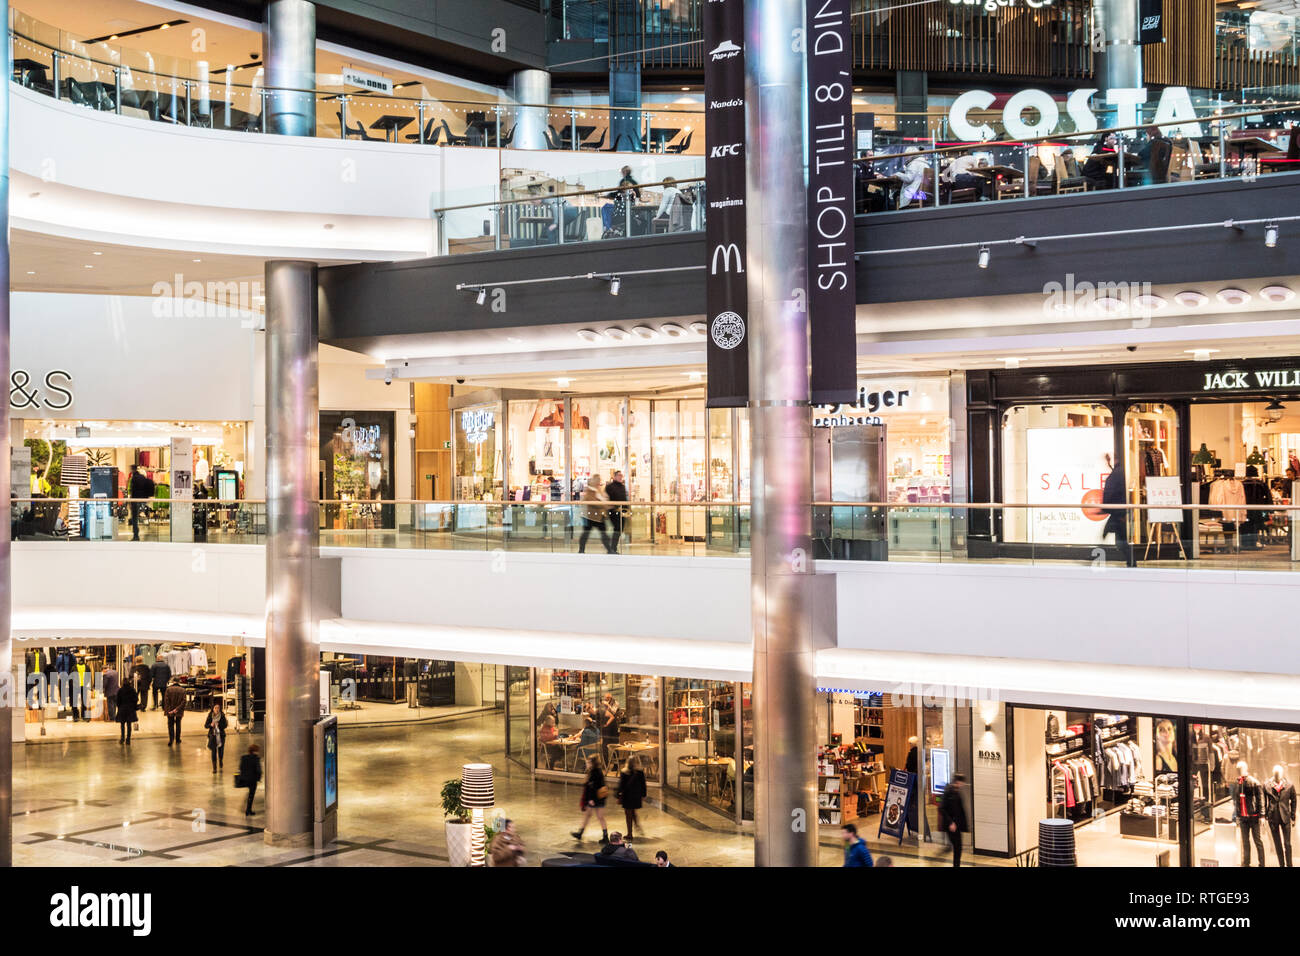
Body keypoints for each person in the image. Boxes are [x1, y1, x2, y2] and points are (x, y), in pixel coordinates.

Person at [1101, 455, 1134, 567]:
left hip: (1118, 511)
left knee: (1121, 540)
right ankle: (1131, 561)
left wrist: (1105, 507)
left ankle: (1132, 561)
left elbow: (1113, 490)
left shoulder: (1118, 473)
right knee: (1118, 538)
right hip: (1117, 511)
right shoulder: (1119, 472)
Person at [1231, 762, 1266, 866]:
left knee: (1257, 841)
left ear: (1246, 769)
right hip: (1243, 818)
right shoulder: (1237, 783)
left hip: (1254, 817)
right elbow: (1237, 801)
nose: (1238, 770)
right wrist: (1237, 815)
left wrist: (1262, 815)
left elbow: (1261, 799)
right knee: (1245, 842)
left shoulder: (1255, 782)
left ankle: (1262, 863)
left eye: (1240, 768)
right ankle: (1246, 863)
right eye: (1237, 769)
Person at [571, 754, 610, 844]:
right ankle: (604, 836)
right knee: (595, 816)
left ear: (592, 763)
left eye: (588, 762)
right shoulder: (597, 771)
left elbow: (593, 787)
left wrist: (591, 799)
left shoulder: (593, 773)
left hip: (595, 799)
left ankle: (581, 833)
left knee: (593, 816)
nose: (587, 763)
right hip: (600, 798)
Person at [1264, 764, 1295, 867]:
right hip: (1273, 817)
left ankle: (1289, 864)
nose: (1277, 776)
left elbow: (1294, 800)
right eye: (1275, 774)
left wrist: (1293, 816)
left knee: (1287, 844)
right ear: (1273, 774)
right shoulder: (1267, 785)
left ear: (1282, 774)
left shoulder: (1289, 785)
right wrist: (1264, 816)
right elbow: (1264, 801)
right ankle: (1281, 864)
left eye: (1279, 774)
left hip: (1285, 817)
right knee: (1278, 844)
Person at [939, 772, 969, 867]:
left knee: (958, 847)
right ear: (957, 781)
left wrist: (964, 825)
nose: (963, 784)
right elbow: (941, 808)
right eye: (961, 782)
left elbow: (960, 809)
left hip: (957, 825)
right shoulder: (948, 791)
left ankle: (956, 865)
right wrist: (950, 823)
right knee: (957, 846)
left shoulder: (957, 792)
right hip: (950, 825)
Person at [602, 166, 642, 237]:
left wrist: (607, 195)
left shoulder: (623, 185)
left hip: (620, 217)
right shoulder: (633, 184)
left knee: (639, 221)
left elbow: (624, 206)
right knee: (641, 222)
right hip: (623, 217)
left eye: (622, 172)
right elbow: (629, 207)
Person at [578, 473, 613, 554]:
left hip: (599, 516)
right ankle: (581, 550)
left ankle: (609, 549)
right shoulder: (589, 491)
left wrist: (606, 505)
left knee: (603, 533)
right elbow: (591, 502)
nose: (599, 483)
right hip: (590, 517)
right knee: (586, 534)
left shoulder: (599, 490)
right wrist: (605, 506)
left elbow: (603, 500)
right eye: (598, 481)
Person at [618, 755, 647, 842]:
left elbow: (621, 786)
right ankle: (637, 825)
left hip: (627, 796)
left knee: (628, 815)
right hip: (636, 796)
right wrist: (643, 795)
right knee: (633, 812)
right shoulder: (640, 772)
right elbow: (643, 785)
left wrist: (618, 795)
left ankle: (630, 833)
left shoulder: (624, 772)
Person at [126, 464, 155, 541]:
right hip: (143, 499)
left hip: (135, 500)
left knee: (134, 517)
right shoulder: (142, 477)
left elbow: (132, 490)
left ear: (133, 470)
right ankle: (136, 534)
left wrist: (131, 501)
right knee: (137, 515)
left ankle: (136, 535)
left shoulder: (133, 478)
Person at [604, 470, 629, 553]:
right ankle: (612, 548)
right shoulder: (609, 486)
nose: (620, 476)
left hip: (622, 511)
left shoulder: (622, 486)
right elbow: (606, 498)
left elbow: (624, 499)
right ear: (614, 477)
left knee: (619, 529)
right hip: (614, 511)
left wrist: (627, 509)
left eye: (621, 475)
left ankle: (613, 548)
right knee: (617, 528)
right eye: (618, 475)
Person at [238, 744, 262, 816]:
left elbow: (240, 767)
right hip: (252, 780)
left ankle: (248, 809)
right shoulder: (256, 758)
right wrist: (259, 778)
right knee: (251, 795)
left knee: (249, 794)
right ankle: (248, 810)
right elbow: (258, 770)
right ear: (255, 751)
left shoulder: (243, 757)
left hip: (244, 779)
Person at [204, 700, 228, 772]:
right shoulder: (210, 716)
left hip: (221, 736)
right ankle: (214, 767)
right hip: (213, 736)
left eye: (218, 708)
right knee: (213, 752)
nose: (217, 709)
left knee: (221, 751)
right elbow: (205, 725)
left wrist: (219, 725)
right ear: (213, 709)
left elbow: (225, 725)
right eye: (215, 708)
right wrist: (211, 725)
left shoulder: (222, 716)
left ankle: (220, 760)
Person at [162, 676, 187, 746]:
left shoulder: (168, 689)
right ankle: (178, 739)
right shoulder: (183, 690)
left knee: (170, 725)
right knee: (178, 724)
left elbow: (166, 701)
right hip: (179, 710)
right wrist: (177, 709)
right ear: (179, 682)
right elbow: (184, 701)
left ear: (173, 682)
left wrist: (170, 710)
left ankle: (171, 739)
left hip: (170, 711)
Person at [600, 692, 624, 766]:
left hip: (613, 727)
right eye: (606, 698)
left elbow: (613, 712)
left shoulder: (615, 703)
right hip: (606, 729)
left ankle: (616, 765)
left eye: (608, 698)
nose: (606, 699)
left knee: (615, 746)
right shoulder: (603, 706)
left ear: (611, 697)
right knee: (604, 746)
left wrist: (608, 705)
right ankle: (605, 764)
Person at [115, 678, 138, 745]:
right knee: (129, 724)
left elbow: (118, 701)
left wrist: (119, 707)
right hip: (130, 709)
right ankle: (128, 739)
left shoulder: (120, 690)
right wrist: (133, 706)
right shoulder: (132, 690)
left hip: (122, 709)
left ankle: (122, 738)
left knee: (122, 725)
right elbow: (136, 699)